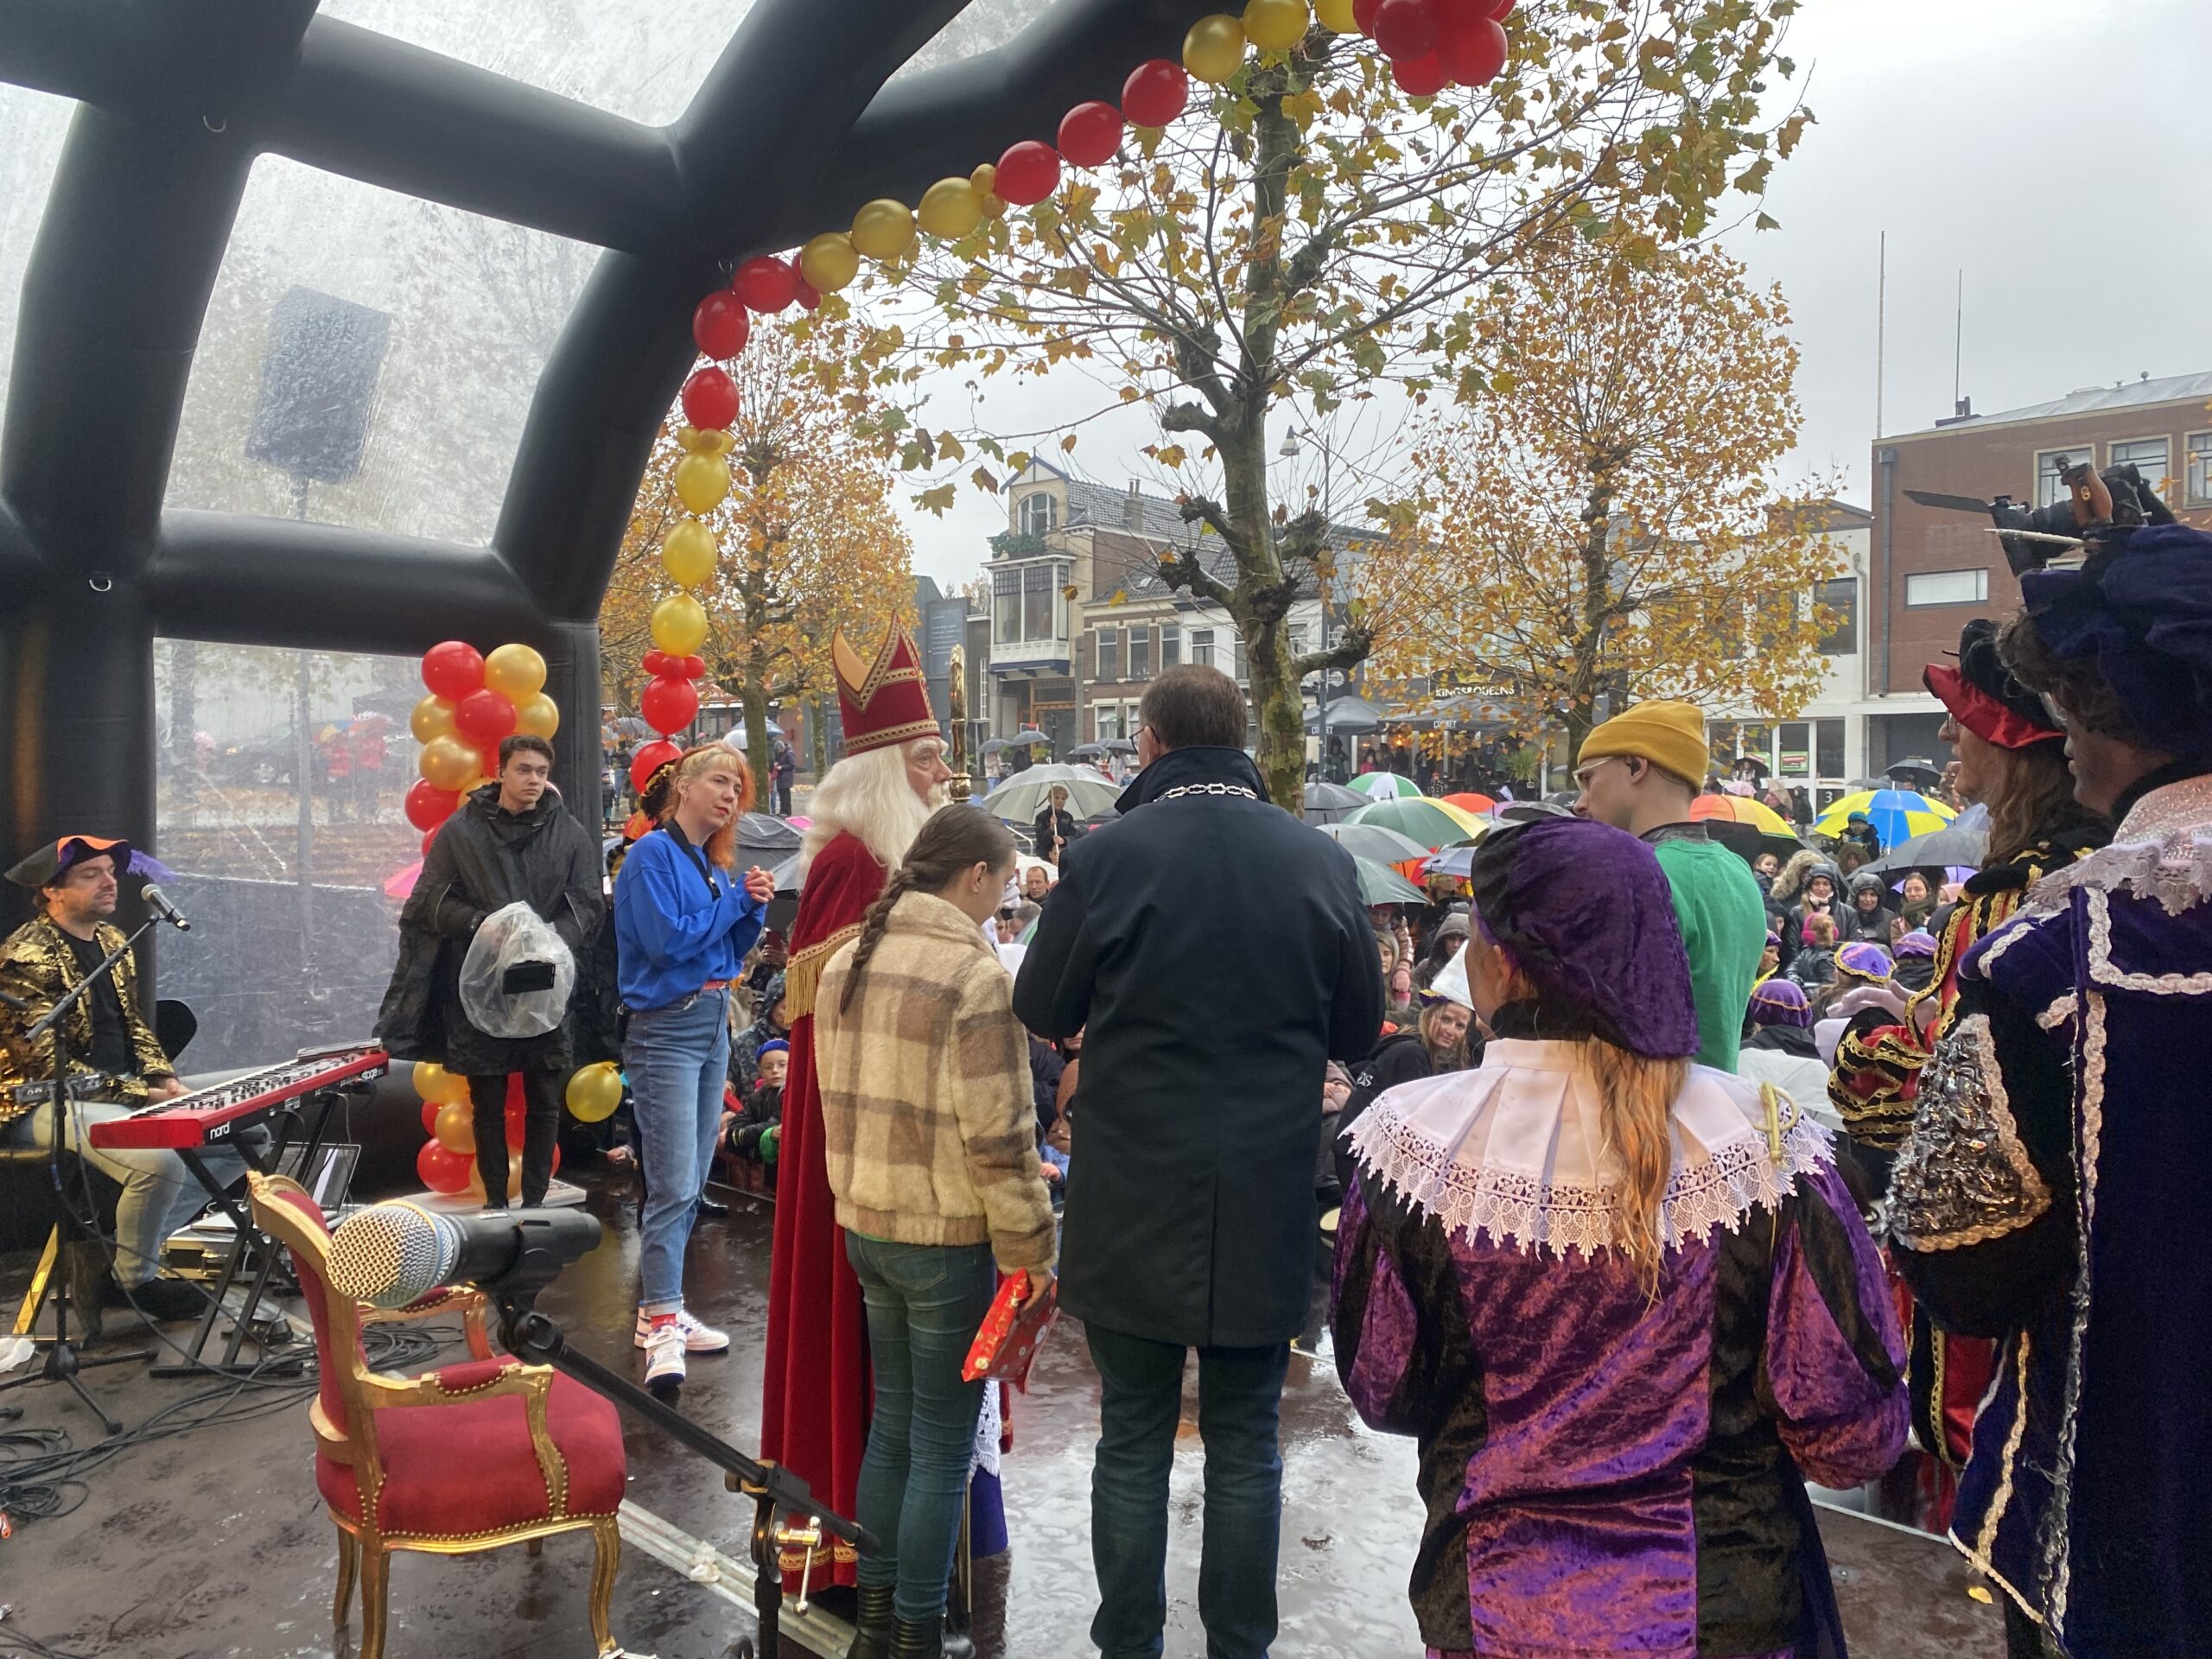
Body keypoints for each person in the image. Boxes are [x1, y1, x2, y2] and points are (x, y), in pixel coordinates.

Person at [1332, 816, 1905, 1658]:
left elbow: (1385, 1388)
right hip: (1725, 1612)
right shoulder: (1765, 1148)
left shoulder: (1412, 1151)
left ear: (1501, 963)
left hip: (1499, 1613)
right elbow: (1849, 1437)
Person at [1885, 523, 2212, 1655]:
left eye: (2073, 698)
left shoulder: (2054, 953)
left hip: (2117, 1524)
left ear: (2111, 715)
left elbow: (1955, 1254)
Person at [1014, 663, 1382, 1659]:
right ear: (1243, 741)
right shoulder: (1316, 858)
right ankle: (1238, 1649)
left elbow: (1041, 1009)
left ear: (1148, 742)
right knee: (1246, 1444)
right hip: (1262, 1187)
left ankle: (1128, 1644)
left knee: (1130, 1438)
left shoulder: (1106, 856)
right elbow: (1358, 1021)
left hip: (1133, 1184)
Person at [815, 805, 1058, 1659]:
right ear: (976, 879)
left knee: (892, 1430)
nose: (999, 906)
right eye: (998, 887)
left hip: (867, 1226)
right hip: (944, 1239)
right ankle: (917, 1631)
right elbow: (1001, 1138)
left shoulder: (848, 957)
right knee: (942, 1447)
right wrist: (1032, 1250)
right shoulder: (973, 976)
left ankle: (877, 1624)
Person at [762, 624, 952, 1595]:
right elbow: (840, 1012)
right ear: (883, 771)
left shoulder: (898, 859)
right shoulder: (849, 864)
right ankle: (863, 1559)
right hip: (857, 1130)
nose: (943, 776)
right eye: (926, 761)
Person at [0, 837, 240, 1321]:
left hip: (116, 1089)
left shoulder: (112, 941)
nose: (111, 883)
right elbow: (47, 1065)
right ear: (53, 891)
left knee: (239, 1138)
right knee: (159, 1162)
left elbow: (134, 1024)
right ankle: (135, 1280)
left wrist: (163, 1078)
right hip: (40, 1104)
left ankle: (130, 1251)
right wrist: (141, 1094)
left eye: (111, 872)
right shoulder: (24, 956)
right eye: (91, 875)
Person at [379, 734, 603, 1209]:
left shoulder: (569, 833)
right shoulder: (461, 831)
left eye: (541, 772)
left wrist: (548, 936)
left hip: (545, 981)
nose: (534, 781)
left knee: (544, 1097)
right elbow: (430, 900)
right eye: (524, 770)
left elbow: (587, 901)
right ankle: (496, 1202)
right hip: (480, 982)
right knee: (488, 1100)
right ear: (501, 771)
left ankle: (536, 1201)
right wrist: (483, 926)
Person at [614, 743, 774, 1387]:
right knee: (676, 1181)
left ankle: (666, 1311)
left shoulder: (707, 865)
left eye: (737, 786)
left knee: (689, 1173)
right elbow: (669, 941)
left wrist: (751, 908)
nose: (730, 796)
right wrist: (736, 905)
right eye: (718, 781)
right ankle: (660, 1320)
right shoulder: (652, 854)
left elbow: (723, 952)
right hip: (669, 1028)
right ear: (681, 786)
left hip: (707, 1020)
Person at [1573, 700, 1767, 1070]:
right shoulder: (1739, 871)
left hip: (1644, 1110)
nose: (1580, 802)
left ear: (1635, 766)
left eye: (1588, 778)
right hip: (1713, 1107)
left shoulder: (1637, 874)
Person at [725, 1039, 786, 1170]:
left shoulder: (792, 1094)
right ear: (761, 1072)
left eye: (782, 1065)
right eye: (768, 1067)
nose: (775, 1070)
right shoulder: (757, 1097)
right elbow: (732, 1133)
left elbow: (777, 1125)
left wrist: (746, 1136)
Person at [1840, 869, 1896, 944]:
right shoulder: (1844, 917)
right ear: (1855, 896)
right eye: (1863, 894)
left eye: (1873, 895)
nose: (1868, 899)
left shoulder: (1889, 918)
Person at [1787, 912, 1840, 989]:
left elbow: (1829, 987)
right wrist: (1793, 976)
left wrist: (1806, 994)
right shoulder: (1807, 951)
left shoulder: (1827, 958)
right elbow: (1792, 967)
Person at [1032, 784, 1077, 866]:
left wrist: (1064, 840)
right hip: (1045, 857)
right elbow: (1041, 840)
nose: (1060, 801)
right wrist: (1051, 828)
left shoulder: (1068, 817)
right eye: (1056, 798)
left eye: (1063, 799)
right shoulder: (1041, 817)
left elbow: (1073, 837)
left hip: (1063, 856)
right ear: (1049, 799)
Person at [772, 735, 798, 817]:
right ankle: (783, 810)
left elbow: (792, 765)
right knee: (782, 795)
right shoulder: (782, 754)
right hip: (781, 777)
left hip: (786, 777)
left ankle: (787, 811)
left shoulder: (789, 753)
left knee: (786, 795)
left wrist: (781, 767)